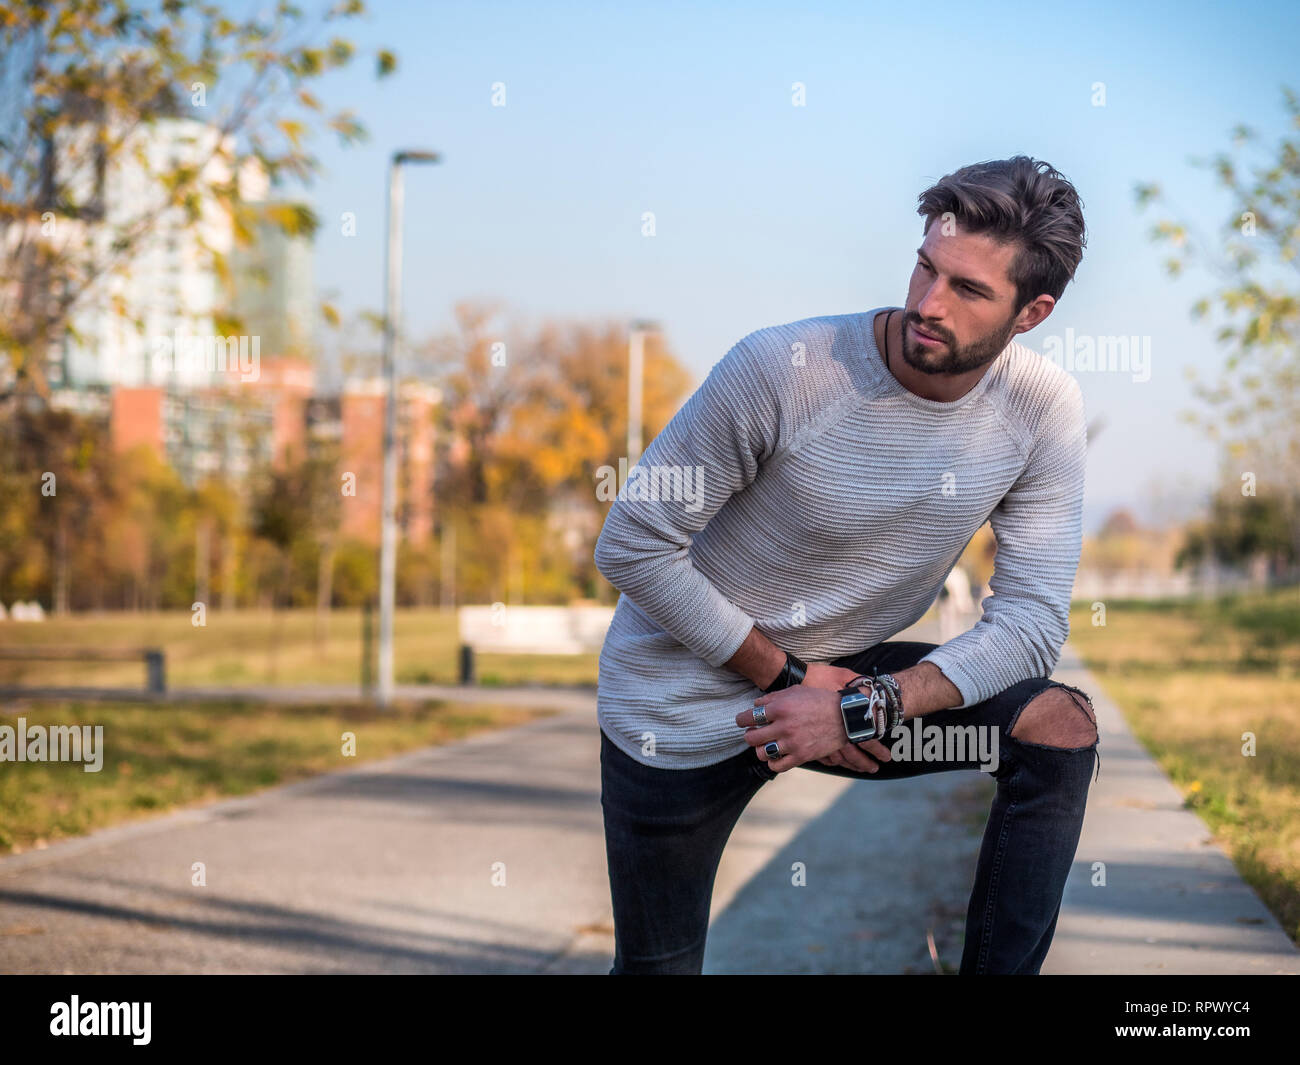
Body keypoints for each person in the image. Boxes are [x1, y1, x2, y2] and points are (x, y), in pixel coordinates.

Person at [594, 155, 1100, 975]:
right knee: (659, 969)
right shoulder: (778, 371)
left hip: (852, 696)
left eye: (968, 290)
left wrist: (869, 706)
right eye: (926, 268)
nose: (927, 305)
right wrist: (788, 676)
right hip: (679, 703)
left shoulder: (1042, 409)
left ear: (1031, 312)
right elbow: (632, 542)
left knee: (1057, 727)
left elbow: (1033, 622)